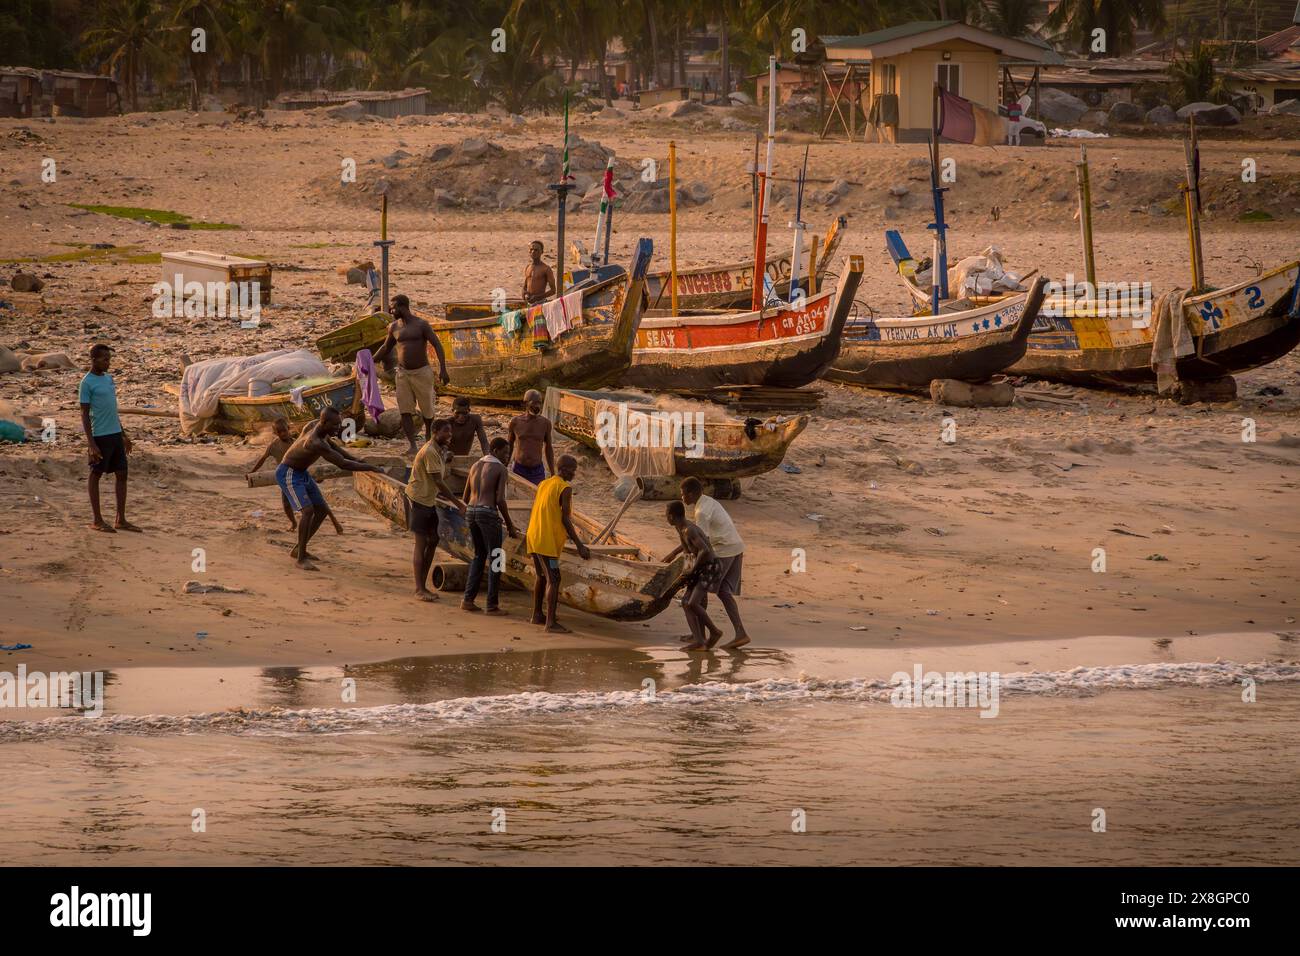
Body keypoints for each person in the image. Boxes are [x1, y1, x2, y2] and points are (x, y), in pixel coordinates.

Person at [276, 407, 384, 571]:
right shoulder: (314, 442)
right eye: (335, 425)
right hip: (289, 473)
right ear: (324, 422)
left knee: (321, 510)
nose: (338, 428)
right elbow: (342, 464)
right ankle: (301, 558)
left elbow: (335, 448)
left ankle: (299, 548)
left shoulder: (316, 426)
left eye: (339, 424)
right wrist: (370, 468)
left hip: (301, 471)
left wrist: (358, 460)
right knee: (308, 511)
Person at [371, 293, 450, 456]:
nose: (391, 311)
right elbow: (386, 348)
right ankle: (413, 445)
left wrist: (443, 369)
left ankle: (429, 440)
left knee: (428, 411)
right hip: (403, 374)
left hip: (422, 372)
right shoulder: (394, 327)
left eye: (393, 308)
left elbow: (437, 344)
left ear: (402, 307)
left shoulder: (421, 325)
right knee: (405, 411)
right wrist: (369, 360)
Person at [680, 477, 749, 649]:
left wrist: (690, 567)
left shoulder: (701, 512)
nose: (682, 498)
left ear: (691, 493)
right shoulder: (708, 502)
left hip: (724, 550)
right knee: (724, 591)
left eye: (683, 494)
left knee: (699, 590)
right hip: (736, 546)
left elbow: (702, 543)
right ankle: (740, 634)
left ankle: (701, 635)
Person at [525, 454, 590, 632]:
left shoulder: (544, 484)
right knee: (554, 579)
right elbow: (566, 519)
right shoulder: (564, 487)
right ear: (565, 470)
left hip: (533, 535)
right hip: (546, 541)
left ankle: (537, 615)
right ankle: (550, 623)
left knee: (542, 576)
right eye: (573, 471)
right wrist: (579, 545)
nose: (574, 474)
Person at [248, 418, 345, 535]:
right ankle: (293, 523)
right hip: (286, 478)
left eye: (284, 431)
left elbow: (309, 458)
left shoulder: (297, 442)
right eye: (279, 432)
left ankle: (335, 523)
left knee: (320, 502)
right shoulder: (273, 445)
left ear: (288, 429)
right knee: (286, 503)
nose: (283, 434)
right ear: (275, 433)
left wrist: (317, 475)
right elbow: (263, 459)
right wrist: (252, 472)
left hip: (301, 473)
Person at [405, 418, 466, 602]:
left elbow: (440, 476)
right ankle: (419, 588)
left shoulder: (439, 451)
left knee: (433, 540)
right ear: (435, 432)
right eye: (446, 432)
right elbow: (438, 481)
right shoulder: (430, 451)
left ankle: (423, 586)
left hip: (429, 500)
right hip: (419, 500)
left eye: (450, 432)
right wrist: (458, 503)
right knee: (421, 543)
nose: (450, 435)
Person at [79, 343, 138, 533]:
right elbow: (84, 414)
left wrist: (123, 434)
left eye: (109, 359)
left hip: (114, 434)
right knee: (95, 474)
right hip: (100, 435)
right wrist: (91, 443)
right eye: (105, 359)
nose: (108, 363)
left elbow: (112, 409)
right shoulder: (86, 383)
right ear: (94, 359)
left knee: (122, 474)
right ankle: (97, 520)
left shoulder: (109, 379)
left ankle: (120, 519)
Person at [462, 436, 519, 614]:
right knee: (496, 558)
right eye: (505, 453)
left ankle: (468, 599)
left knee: (479, 555)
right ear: (495, 451)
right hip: (488, 512)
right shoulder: (500, 469)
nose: (507, 457)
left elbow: (465, 497)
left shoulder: (475, 466)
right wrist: (510, 524)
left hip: (471, 511)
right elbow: (500, 500)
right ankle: (492, 604)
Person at [665, 500, 724, 651]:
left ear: (671, 516)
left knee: (692, 603)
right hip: (700, 568)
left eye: (666, 515)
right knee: (686, 602)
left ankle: (715, 632)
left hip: (710, 567)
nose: (665, 517)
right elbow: (688, 553)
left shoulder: (689, 530)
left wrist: (692, 570)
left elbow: (704, 550)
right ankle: (699, 639)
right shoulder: (680, 529)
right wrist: (685, 574)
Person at [507, 389, 554, 484]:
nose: (538, 406)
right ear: (526, 403)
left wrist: (553, 472)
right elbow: (509, 446)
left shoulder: (545, 423)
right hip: (518, 468)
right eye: (534, 403)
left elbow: (548, 448)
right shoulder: (515, 422)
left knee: (537, 496)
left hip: (537, 471)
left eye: (540, 403)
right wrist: (504, 465)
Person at [522, 241, 556, 305]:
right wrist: (524, 293)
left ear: (541, 252)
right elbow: (525, 286)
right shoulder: (528, 267)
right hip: (529, 302)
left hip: (540, 302)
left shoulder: (546, 269)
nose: (533, 252)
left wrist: (538, 297)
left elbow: (553, 290)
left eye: (536, 250)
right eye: (531, 249)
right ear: (529, 251)